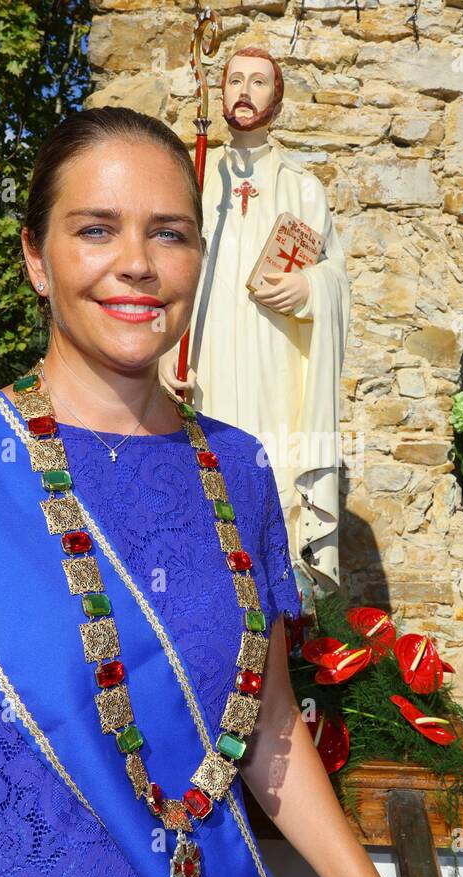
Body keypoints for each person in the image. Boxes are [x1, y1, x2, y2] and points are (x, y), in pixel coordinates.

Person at [0, 106, 395, 877]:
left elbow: (271, 729)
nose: (138, 263)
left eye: (169, 233)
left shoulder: (240, 469)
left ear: (199, 260)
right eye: (97, 230)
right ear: (36, 258)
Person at [159, 47, 349, 602]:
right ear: (219, 94)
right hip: (206, 366)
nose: (244, 90)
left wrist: (310, 287)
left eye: (259, 81)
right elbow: (161, 275)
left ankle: (280, 627)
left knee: (270, 486)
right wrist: (162, 360)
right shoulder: (191, 180)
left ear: (278, 98)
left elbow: (337, 277)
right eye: (234, 79)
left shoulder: (302, 187)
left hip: (275, 365)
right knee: (200, 489)